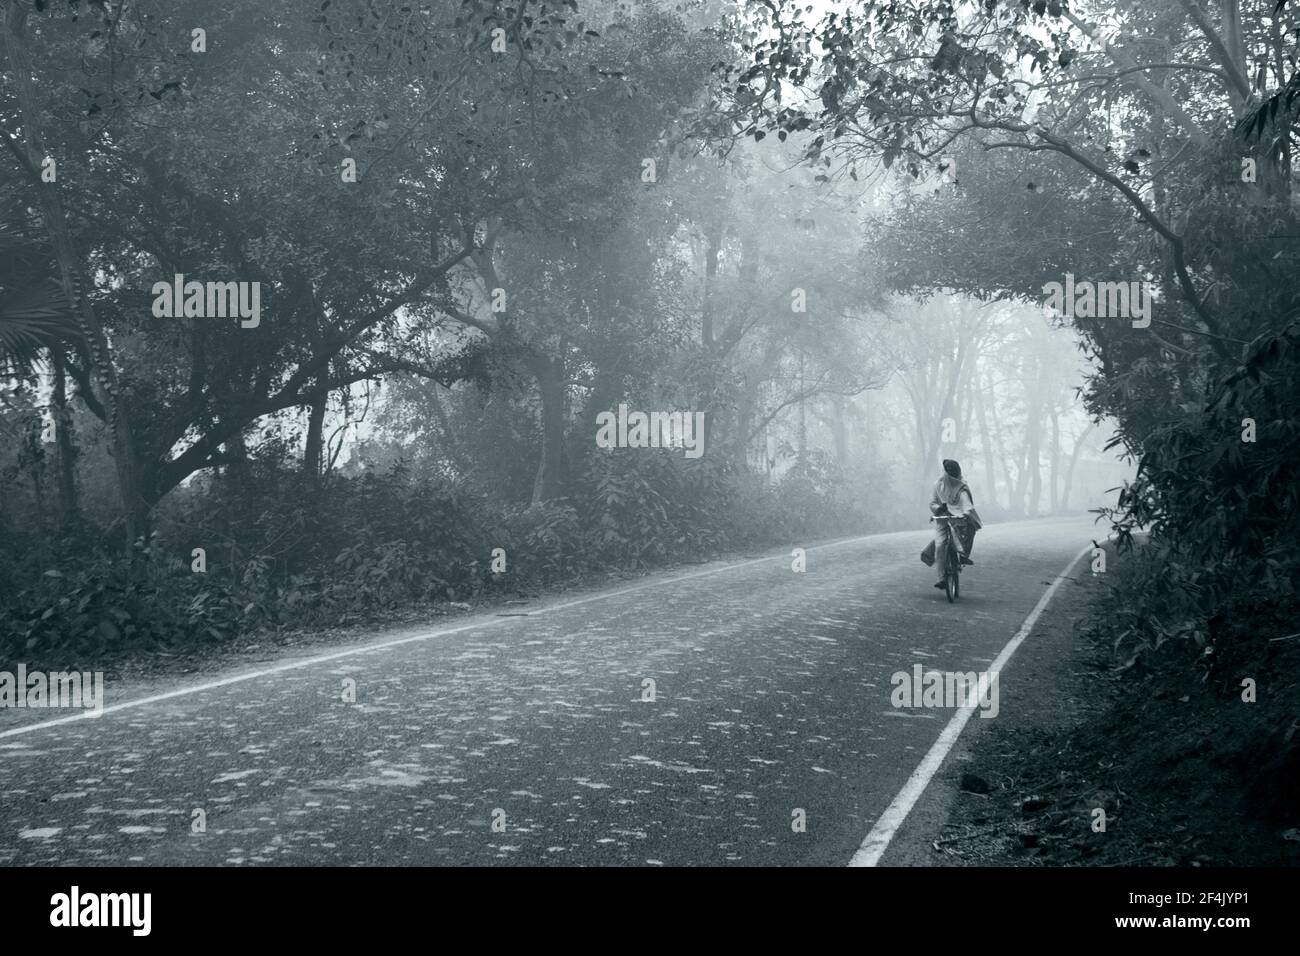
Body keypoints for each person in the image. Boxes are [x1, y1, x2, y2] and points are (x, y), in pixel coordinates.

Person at [927, 459, 979, 588]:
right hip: (943, 520)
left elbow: (966, 501)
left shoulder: (961, 486)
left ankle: (964, 556)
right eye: (949, 472)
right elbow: (932, 502)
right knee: (939, 546)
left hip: (959, 519)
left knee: (970, 531)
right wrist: (938, 509)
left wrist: (967, 513)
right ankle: (942, 578)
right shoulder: (938, 485)